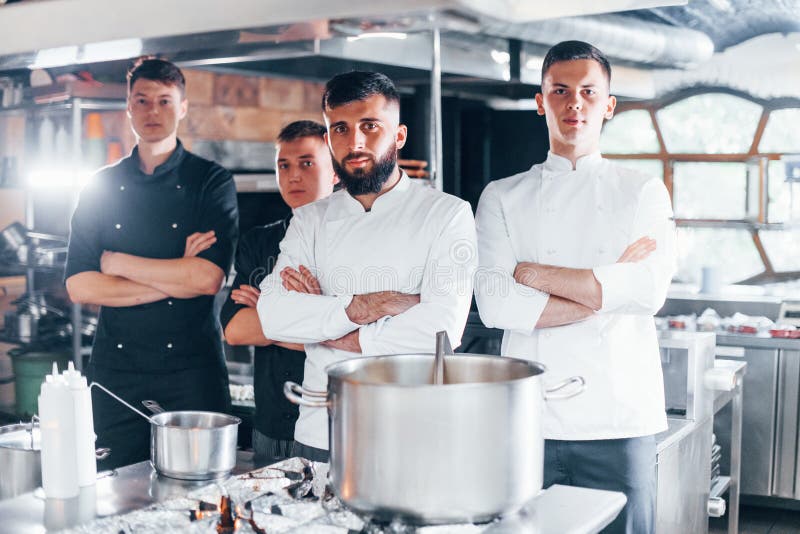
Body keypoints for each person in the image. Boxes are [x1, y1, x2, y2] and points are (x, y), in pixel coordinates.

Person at [474, 41, 676, 534]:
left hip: (618, 419)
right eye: (560, 91)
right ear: (540, 101)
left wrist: (530, 271)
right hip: (528, 420)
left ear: (609, 106)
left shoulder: (643, 190)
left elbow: (647, 292)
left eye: (589, 92)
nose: (574, 103)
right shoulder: (502, 195)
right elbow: (497, 303)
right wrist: (604, 287)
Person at [256, 71, 477, 462]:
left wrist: (324, 324)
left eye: (370, 126)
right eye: (340, 128)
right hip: (321, 431)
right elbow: (274, 317)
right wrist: (365, 307)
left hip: (409, 434)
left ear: (399, 136)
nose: (354, 141)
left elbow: (440, 330)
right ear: (328, 140)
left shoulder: (447, 214)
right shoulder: (309, 219)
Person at [64, 58, 238, 469]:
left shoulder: (210, 181)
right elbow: (80, 287)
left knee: (199, 494)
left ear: (182, 108)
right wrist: (176, 273)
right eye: (142, 100)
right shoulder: (100, 184)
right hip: (115, 375)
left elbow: (207, 278)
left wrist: (117, 262)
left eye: (164, 101)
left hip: (191, 373)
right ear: (128, 107)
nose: (152, 111)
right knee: (111, 492)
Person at [219, 120, 338, 464]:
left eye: (306, 163)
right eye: (283, 165)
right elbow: (236, 330)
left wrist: (269, 311)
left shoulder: (354, 243)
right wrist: (312, 318)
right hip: (269, 424)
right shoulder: (258, 241)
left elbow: (358, 339)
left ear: (334, 172)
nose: (293, 175)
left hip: (329, 425)